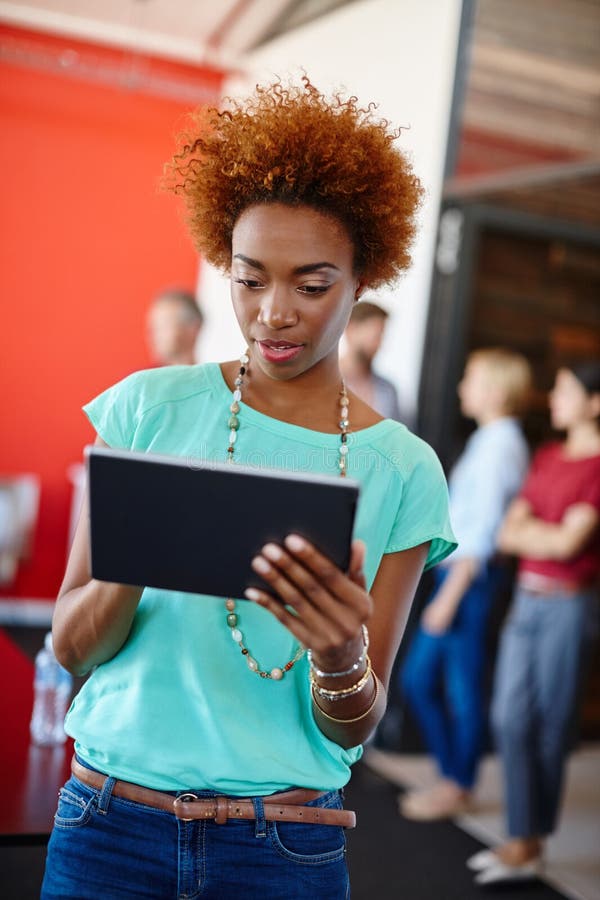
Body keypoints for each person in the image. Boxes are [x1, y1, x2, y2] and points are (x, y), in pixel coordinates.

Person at [41, 77, 456, 899]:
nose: (273, 313)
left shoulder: (403, 469)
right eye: (248, 278)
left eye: (312, 285)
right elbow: (70, 648)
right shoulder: (147, 409)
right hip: (107, 829)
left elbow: (354, 725)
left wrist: (339, 658)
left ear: (364, 277)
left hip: (282, 851)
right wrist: (143, 553)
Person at [468, 360, 600, 887]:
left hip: (567, 605)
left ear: (595, 402)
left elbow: (569, 544)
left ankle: (528, 842)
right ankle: (523, 838)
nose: (553, 398)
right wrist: (545, 535)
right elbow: (507, 532)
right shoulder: (547, 455)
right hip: (526, 600)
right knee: (508, 717)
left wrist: (538, 535)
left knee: (550, 725)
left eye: (565, 390)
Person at [399, 348, 532, 820]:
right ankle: (454, 779)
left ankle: (457, 784)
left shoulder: (500, 446)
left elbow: (484, 531)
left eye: (471, 378)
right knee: (427, 682)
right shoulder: (490, 440)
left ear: (495, 390)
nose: (462, 387)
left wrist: (450, 596)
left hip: (467, 582)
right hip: (459, 579)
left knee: (455, 689)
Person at [340, 300, 407, 424]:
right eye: (374, 336)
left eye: (381, 337)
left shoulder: (388, 390)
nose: (378, 344)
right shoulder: (322, 382)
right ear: (350, 330)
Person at [146, 287, 204, 366]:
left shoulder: (215, 371)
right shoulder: (143, 374)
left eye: (163, 326)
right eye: (154, 328)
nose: (154, 337)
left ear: (193, 328)